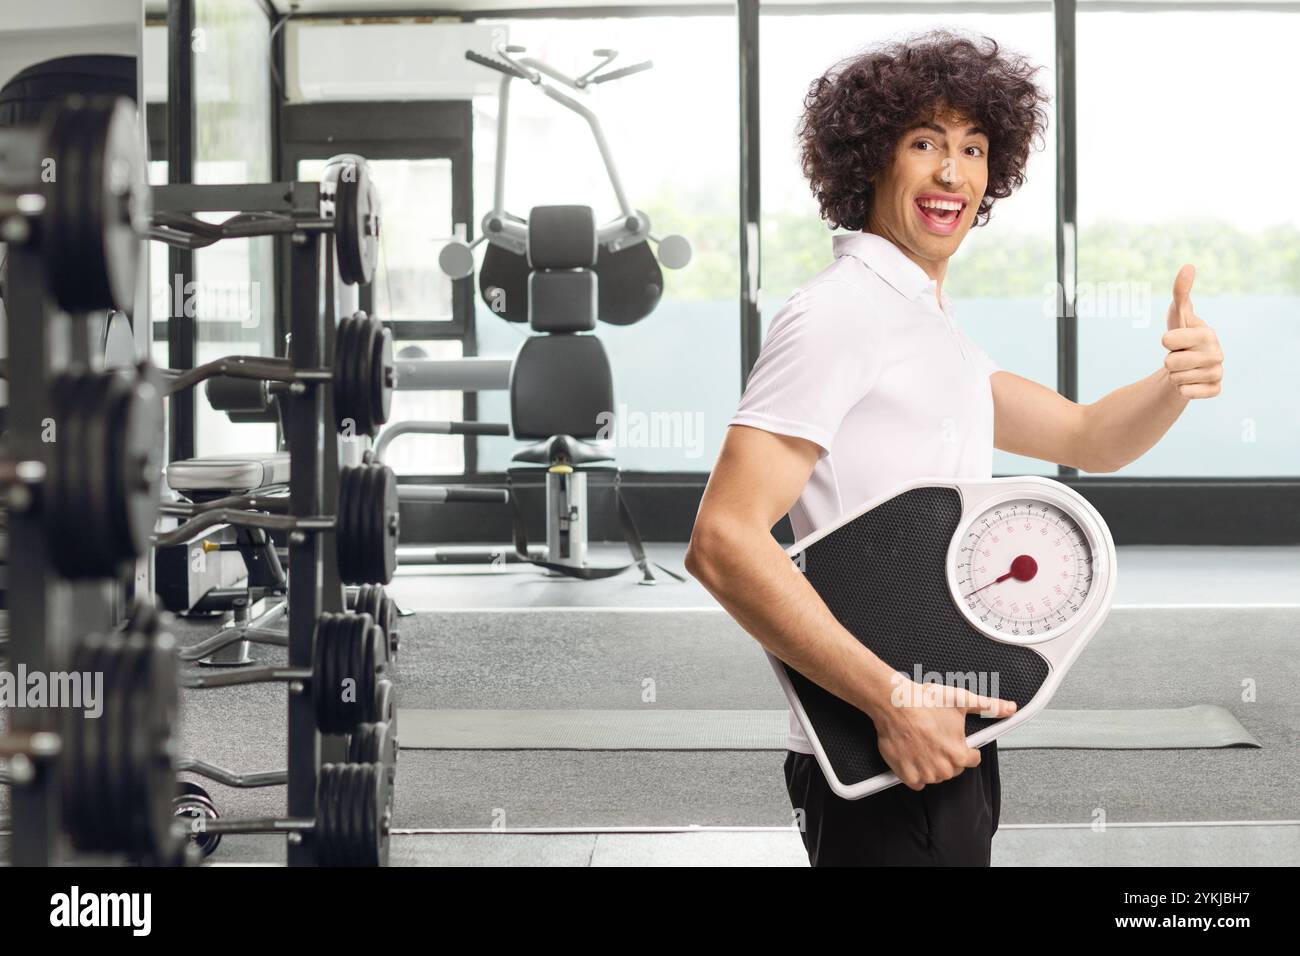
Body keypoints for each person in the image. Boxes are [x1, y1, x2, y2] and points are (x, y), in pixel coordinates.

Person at [684, 29, 1224, 866]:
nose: (953, 173)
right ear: (870, 161)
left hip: (945, 717)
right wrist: (891, 700)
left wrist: (1174, 382)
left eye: (973, 147)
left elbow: (1087, 437)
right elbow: (722, 541)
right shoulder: (839, 315)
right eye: (925, 142)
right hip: (884, 730)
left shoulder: (926, 330)